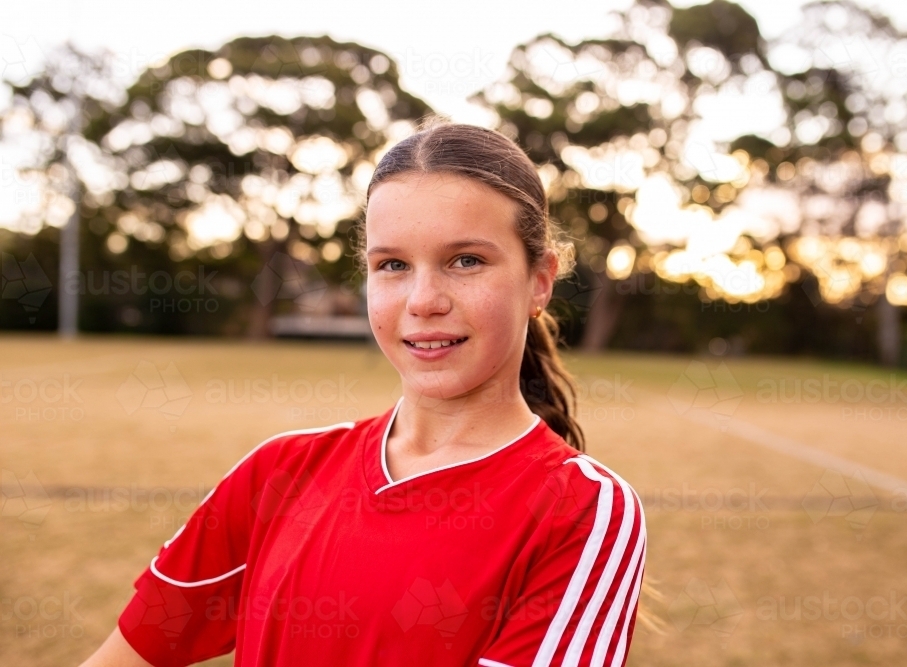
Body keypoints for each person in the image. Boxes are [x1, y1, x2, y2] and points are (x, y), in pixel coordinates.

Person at [80, 119, 646, 667]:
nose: (423, 300)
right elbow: (132, 651)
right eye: (393, 264)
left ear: (540, 280)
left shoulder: (582, 510)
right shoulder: (279, 472)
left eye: (466, 260)